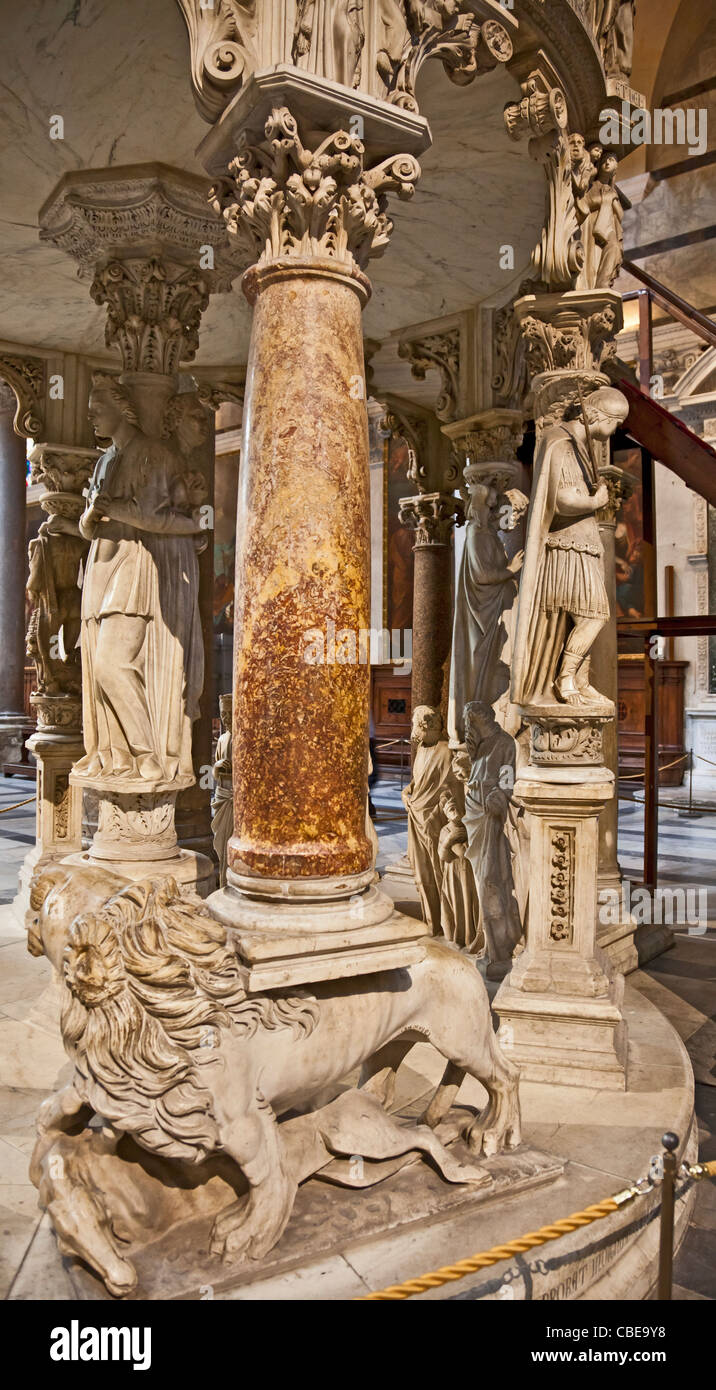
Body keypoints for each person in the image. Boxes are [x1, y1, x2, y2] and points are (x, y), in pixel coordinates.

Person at [73, 374, 204, 790]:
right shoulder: (104, 459)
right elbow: (88, 524)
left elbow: (151, 517)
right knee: (97, 674)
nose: (92, 418)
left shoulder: (152, 453)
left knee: (114, 666)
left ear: (121, 408)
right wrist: (91, 517)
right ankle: (115, 756)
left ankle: (148, 754)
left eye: (98, 411)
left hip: (132, 566)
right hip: (99, 568)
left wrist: (110, 508)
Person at [511, 386, 629, 710]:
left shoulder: (577, 444)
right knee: (593, 615)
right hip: (569, 546)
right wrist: (595, 501)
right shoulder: (561, 441)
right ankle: (566, 678)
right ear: (598, 415)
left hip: (581, 543)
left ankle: (580, 679)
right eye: (615, 422)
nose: (616, 430)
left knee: (585, 618)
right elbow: (561, 498)